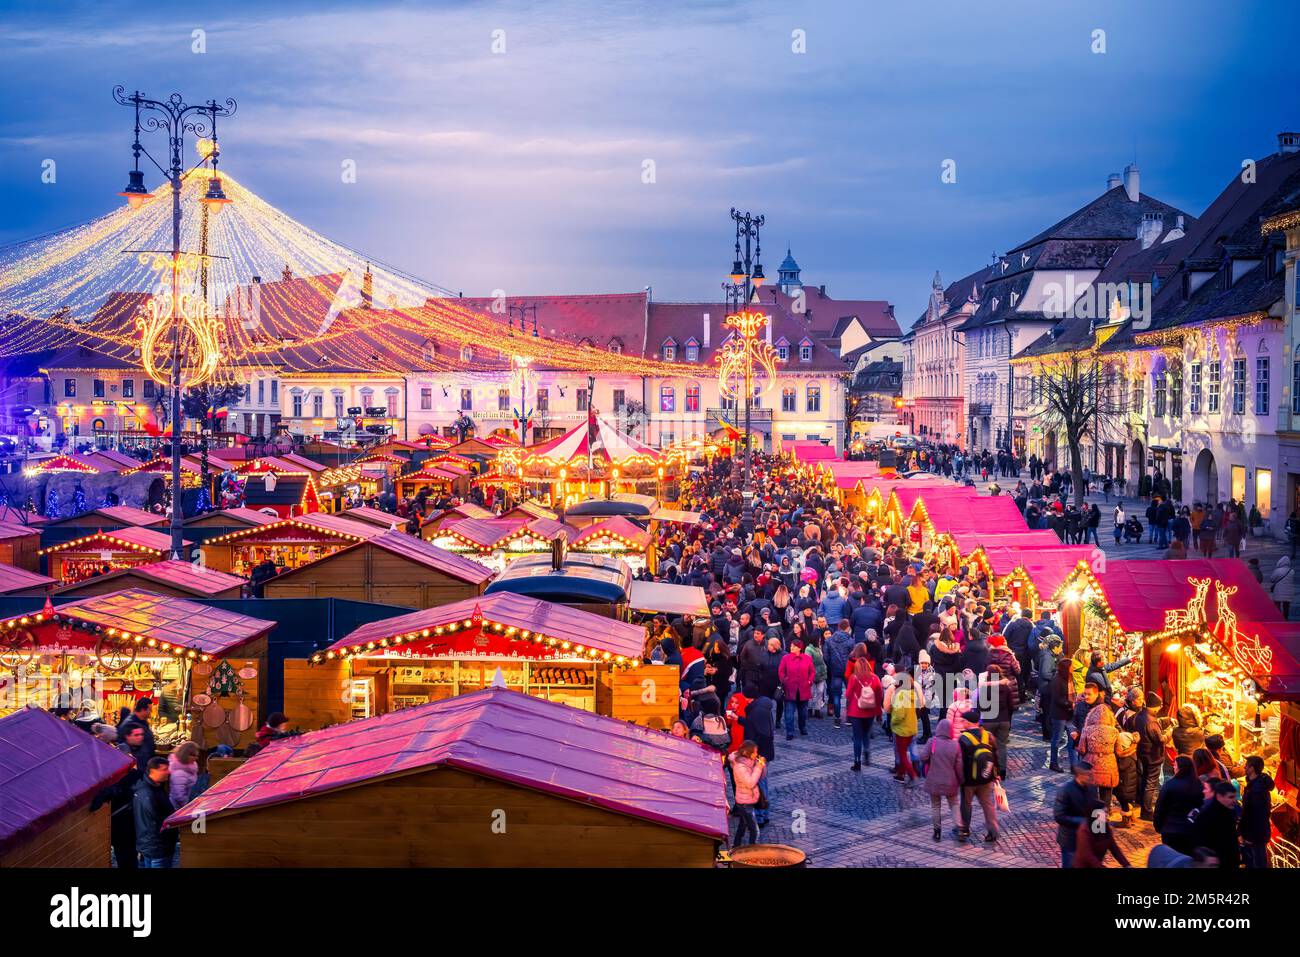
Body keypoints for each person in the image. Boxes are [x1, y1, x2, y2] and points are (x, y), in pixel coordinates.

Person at [957, 710, 999, 843]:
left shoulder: (963, 739)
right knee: (987, 803)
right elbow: (995, 755)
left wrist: (959, 778)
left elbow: (959, 761)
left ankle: (964, 829)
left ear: (968, 723)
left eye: (963, 721)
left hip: (969, 780)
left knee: (966, 804)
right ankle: (993, 831)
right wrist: (996, 774)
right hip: (986, 778)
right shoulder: (988, 736)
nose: (961, 723)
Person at [133, 756, 179, 868]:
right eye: (164, 769)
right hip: (158, 849)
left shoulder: (149, 788)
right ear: (153, 771)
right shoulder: (150, 795)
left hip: (147, 846)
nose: (169, 772)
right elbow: (157, 823)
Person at [1153, 755, 1203, 854]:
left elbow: (1160, 808)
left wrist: (1158, 826)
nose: (1174, 768)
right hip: (1191, 830)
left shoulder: (1170, 784)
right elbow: (1201, 807)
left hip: (1170, 830)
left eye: (1175, 765)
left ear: (1180, 768)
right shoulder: (1199, 785)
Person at [1053, 761, 1098, 869]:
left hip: (1087, 838)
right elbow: (1059, 816)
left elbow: (1095, 807)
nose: (1092, 778)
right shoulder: (1066, 790)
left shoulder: (1092, 788)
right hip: (1070, 839)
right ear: (1080, 775)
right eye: (1089, 775)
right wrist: (1083, 822)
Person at [925, 718, 963, 841]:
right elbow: (959, 766)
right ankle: (959, 826)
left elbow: (922, 756)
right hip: (950, 782)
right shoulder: (955, 745)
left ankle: (937, 832)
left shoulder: (932, 742)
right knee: (954, 804)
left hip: (934, 780)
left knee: (936, 806)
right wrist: (961, 779)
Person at [846, 645, 883, 770]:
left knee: (857, 737)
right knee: (866, 734)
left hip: (856, 712)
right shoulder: (875, 678)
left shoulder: (853, 678)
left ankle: (857, 762)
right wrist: (879, 713)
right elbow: (879, 695)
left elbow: (847, 695)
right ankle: (867, 751)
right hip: (870, 711)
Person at [1190, 780, 1241, 869]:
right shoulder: (1206, 814)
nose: (1235, 800)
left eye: (1235, 797)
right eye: (1231, 797)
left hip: (1230, 860)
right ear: (1219, 796)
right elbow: (1199, 839)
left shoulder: (1230, 810)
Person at [1239, 755, 1274, 868]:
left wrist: (1249, 836)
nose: (1244, 767)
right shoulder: (1256, 784)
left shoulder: (1256, 790)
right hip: (1257, 833)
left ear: (1252, 768)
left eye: (1247, 765)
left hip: (1256, 834)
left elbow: (1256, 816)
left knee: (1258, 862)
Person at [728, 741, 765, 847]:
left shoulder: (749, 762)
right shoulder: (740, 767)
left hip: (747, 800)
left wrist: (761, 766)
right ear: (747, 752)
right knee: (754, 830)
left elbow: (760, 776)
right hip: (744, 803)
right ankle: (753, 850)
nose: (756, 754)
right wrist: (758, 768)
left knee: (742, 825)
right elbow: (750, 783)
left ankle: (736, 846)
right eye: (754, 752)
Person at [886, 671, 920, 785]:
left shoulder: (900, 696)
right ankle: (900, 775)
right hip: (911, 727)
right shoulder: (912, 694)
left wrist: (892, 722)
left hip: (902, 729)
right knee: (903, 752)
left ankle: (913, 776)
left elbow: (899, 715)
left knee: (902, 754)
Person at [777, 639, 814, 739]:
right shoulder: (786, 658)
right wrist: (785, 680)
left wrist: (809, 681)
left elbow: (812, 672)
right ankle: (790, 732)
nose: (791, 647)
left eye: (794, 646)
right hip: (790, 689)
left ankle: (803, 727)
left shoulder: (807, 658)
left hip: (803, 689)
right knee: (789, 713)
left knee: (803, 713)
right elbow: (781, 672)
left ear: (800, 648)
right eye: (791, 646)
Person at [116, 698, 156, 763]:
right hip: (139, 764)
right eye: (150, 710)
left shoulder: (143, 721)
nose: (151, 712)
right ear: (143, 710)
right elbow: (122, 746)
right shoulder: (129, 724)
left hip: (146, 762)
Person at [167, 741, 200, 809]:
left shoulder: (191, 766)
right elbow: (179, 796)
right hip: (180, 808)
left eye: (197, 755)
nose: (196, 758)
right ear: (186, 755)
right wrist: (190, 805)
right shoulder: (179, 773)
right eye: (193, 755)